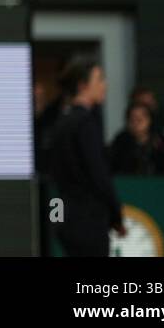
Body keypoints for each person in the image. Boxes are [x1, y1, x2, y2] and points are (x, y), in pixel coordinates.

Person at [48, 58, 124, 257]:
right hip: (88, 221)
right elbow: (98, 174)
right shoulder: (85, 123)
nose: (104, 85)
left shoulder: (60, 124)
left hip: (65, 219)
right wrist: (116, 215)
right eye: (99, 79)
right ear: (83, 86)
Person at [108, 102, 164, 175]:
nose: (136, 122)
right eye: (132, 119)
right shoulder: (120, 142)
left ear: (149, 120)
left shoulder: (160, 142)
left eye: (140, 119)